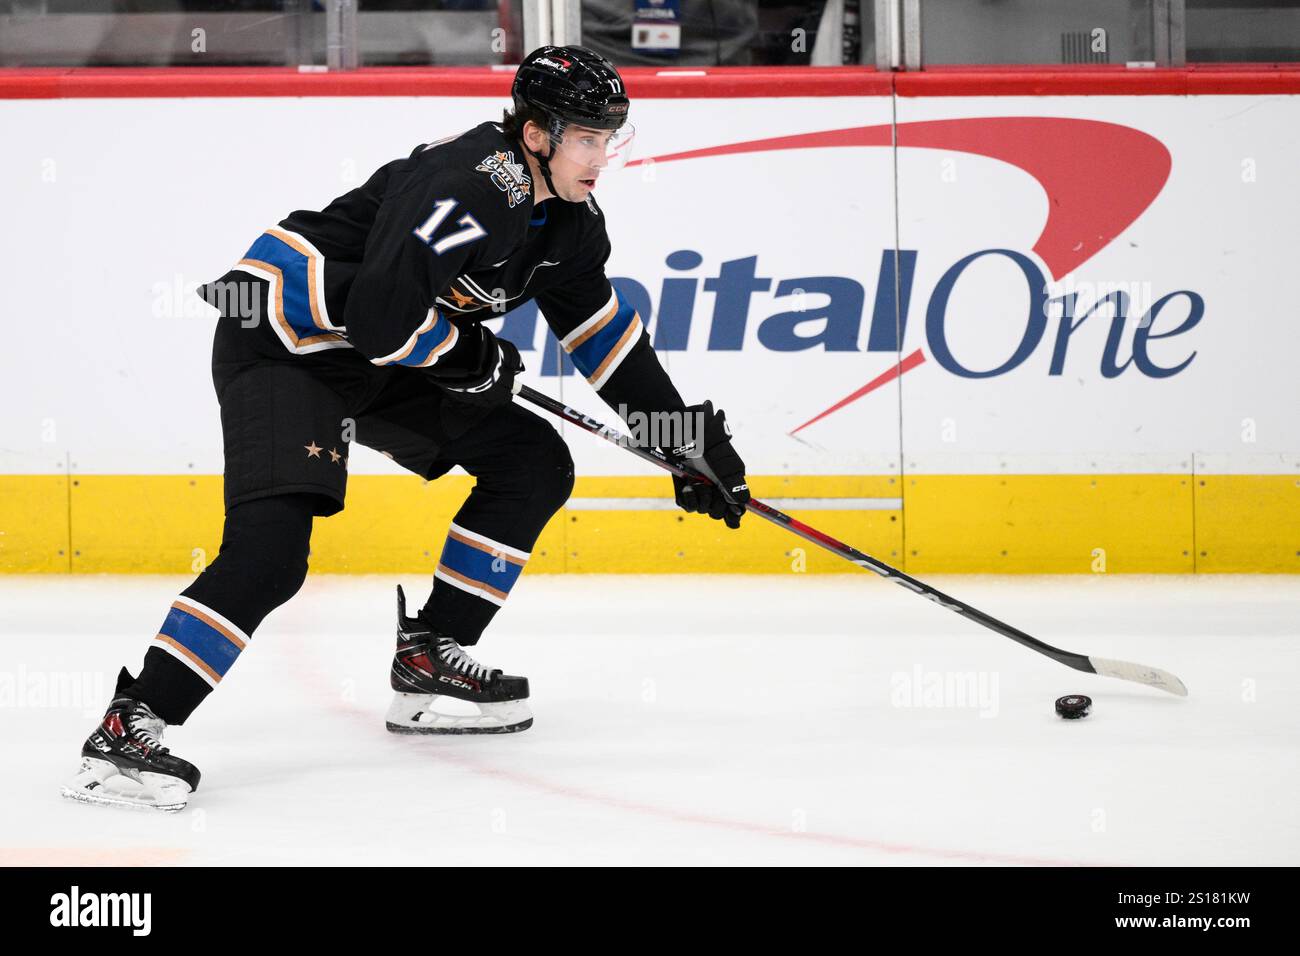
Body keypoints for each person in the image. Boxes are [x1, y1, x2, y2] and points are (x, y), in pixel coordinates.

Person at [61, 45, 750, 812]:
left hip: (378, 354)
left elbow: (602, 338)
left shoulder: (570, 224)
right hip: (288, 344)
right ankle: (131, 726)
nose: (600, 157)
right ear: (534, 134)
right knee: (271, 555)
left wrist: (683, 441)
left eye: (607, 138)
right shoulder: (473, 185)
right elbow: (382, 314)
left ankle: (429, 658)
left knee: (531, 461)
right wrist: (472, 357)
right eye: (586, 138)